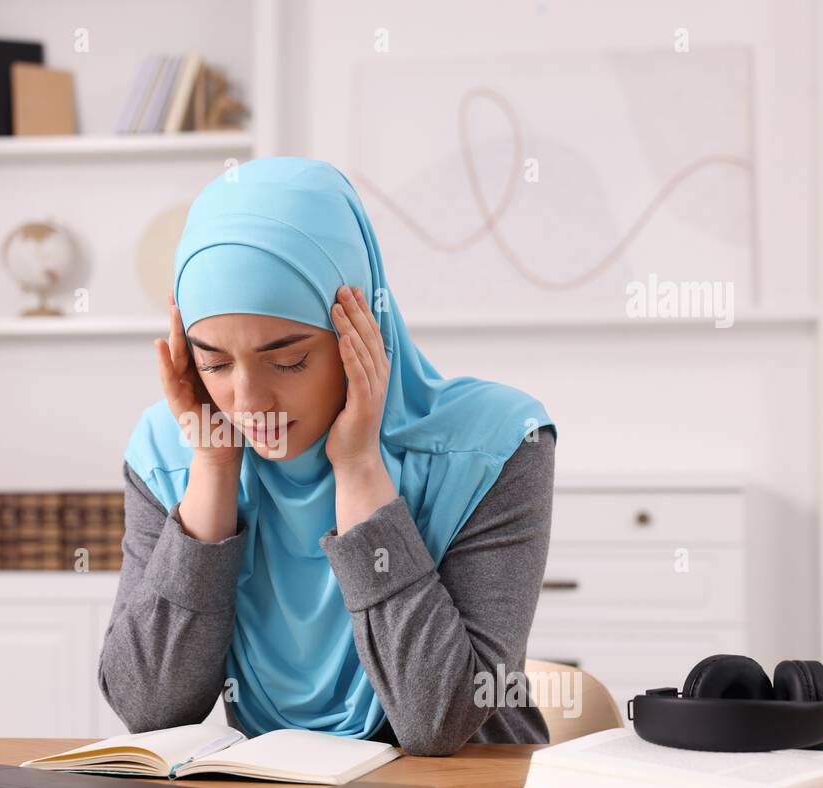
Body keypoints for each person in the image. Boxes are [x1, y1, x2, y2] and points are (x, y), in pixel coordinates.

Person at [98, 156, 558, 756]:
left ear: (361, 328)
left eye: (287, 360)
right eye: (213, 362)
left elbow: (437, 717)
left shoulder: (493, 447)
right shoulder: (171, 452)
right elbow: (149, 708)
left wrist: (361, 469)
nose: (247, 400)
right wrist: (211, 473)